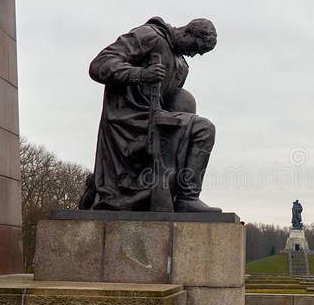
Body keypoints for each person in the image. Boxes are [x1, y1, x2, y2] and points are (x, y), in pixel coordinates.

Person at [79, 16, 220, 212]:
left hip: (157, 121)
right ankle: (187, 197)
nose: (194, 54)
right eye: (195, 47)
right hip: (126, 121)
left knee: (200, 129)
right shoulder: (149, 36)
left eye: (199, 53)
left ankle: (186, 196)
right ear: (187, 32)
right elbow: (99, 65)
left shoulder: (182, 66)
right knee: (204, 128)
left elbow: (171, 103)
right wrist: (140, 74)